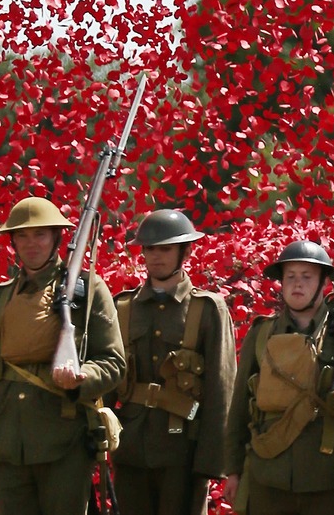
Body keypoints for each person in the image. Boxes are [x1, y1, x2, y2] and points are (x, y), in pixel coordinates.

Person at [0, 196, 125, 515]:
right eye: (22, 235)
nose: (31, 244)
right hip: (5, 443)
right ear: (13, 242)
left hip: (64, 441)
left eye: (40, 235)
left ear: (56, 238)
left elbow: (113, 363)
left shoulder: (88, 290)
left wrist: (82, 378)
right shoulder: (1, 298)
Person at [223, 240, 334, 515]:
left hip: (329, 480)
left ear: (323, 283)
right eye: (290, 277)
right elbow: (239, 409)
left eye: (307, 277)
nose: (297, 284)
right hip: (267, 475)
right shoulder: (262, 335)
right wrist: (234, 471)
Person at [109, 209, 236, 515]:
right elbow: (109, 377)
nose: (156, 256)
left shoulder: (206, 309)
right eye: (149, 249)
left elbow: (221, 387)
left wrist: (210, 462)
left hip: (183, 452)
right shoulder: (123, 306)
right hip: (131, 447)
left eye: (165, 248)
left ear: (184, 251)